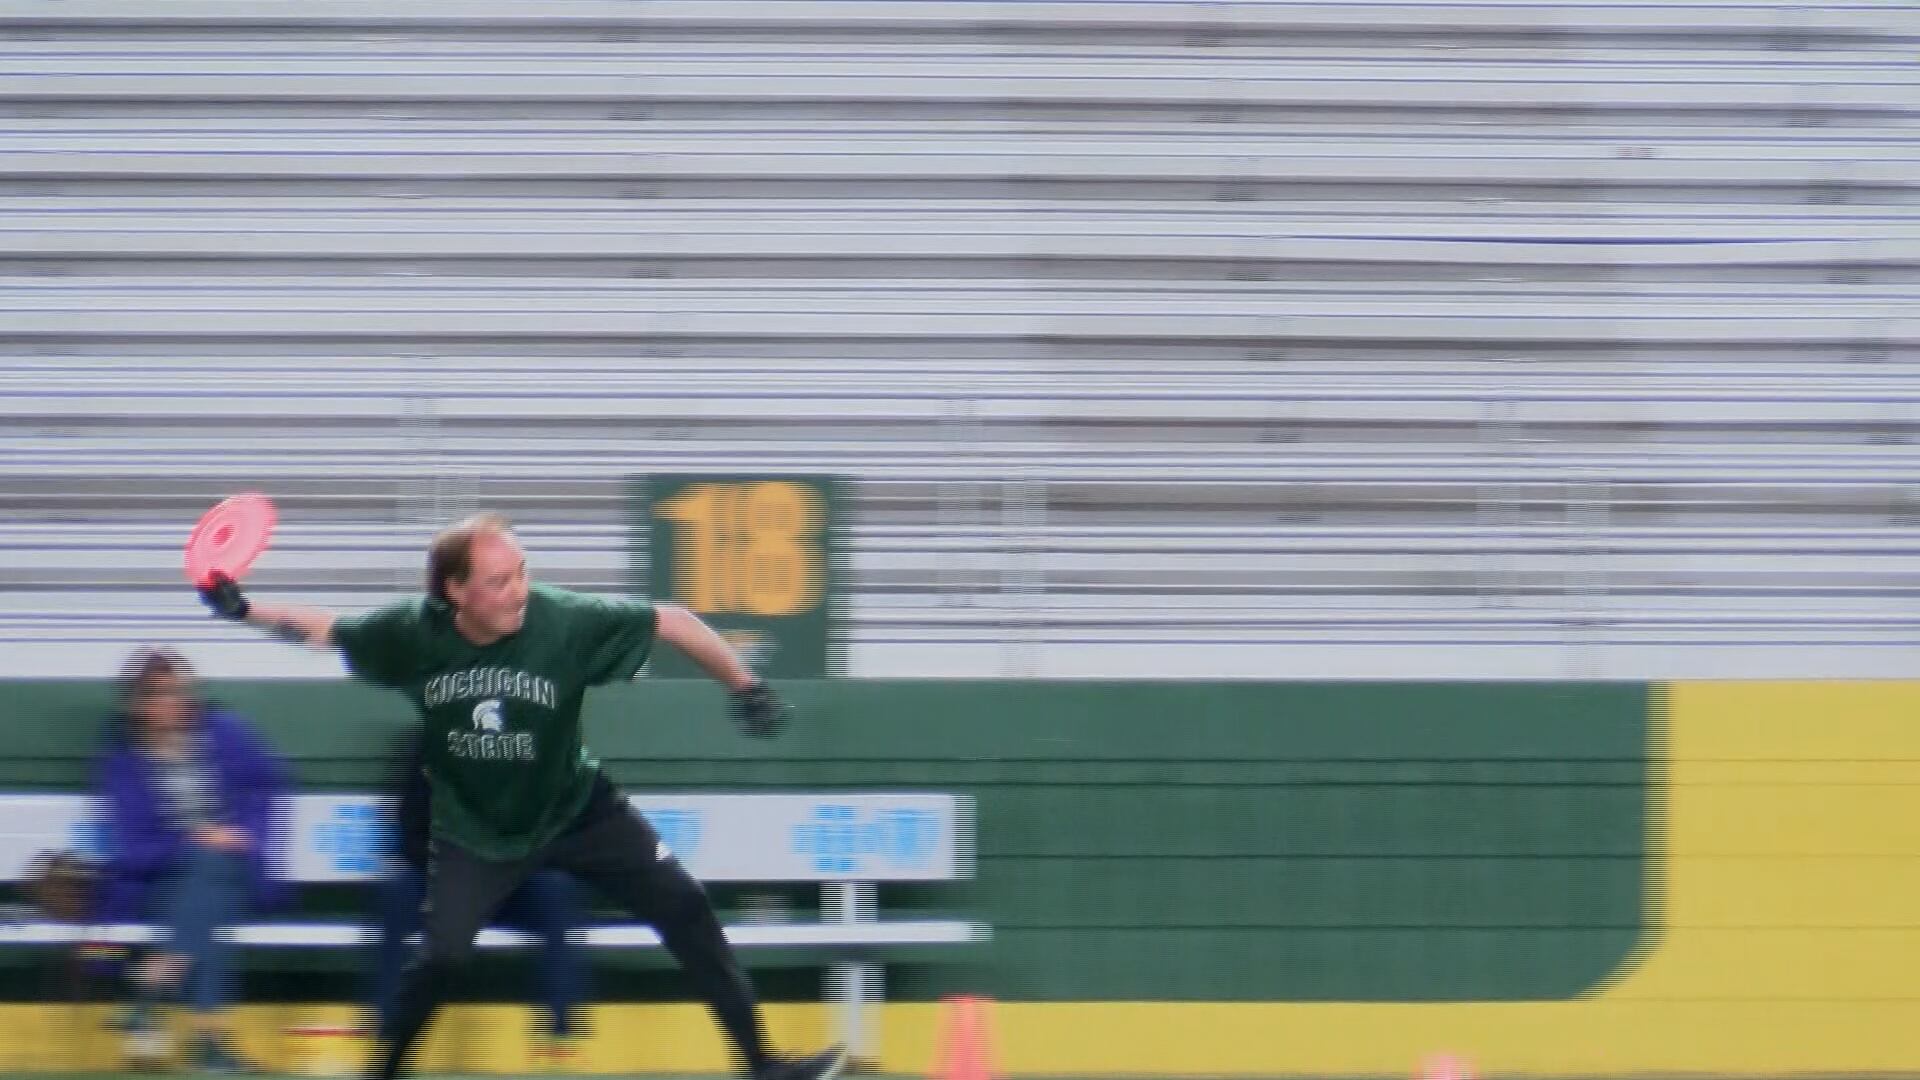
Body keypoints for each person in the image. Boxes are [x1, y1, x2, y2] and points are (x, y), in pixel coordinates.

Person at [195, 512, 843, 1080]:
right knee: (442, 959)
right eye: (499, 581)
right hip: (476, 831)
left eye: (522, 573)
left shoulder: (564, 622)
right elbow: (326, 630)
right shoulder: (412, 634)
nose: (519, 591)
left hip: (578, 811)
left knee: (686, 907)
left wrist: (744, 685)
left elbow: (671, 621)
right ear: (455, 592)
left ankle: (763, 1064)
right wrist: (243, 610)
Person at [94, 646, 289, 1072]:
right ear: (137, 704)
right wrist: (193, 839)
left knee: (210, 876)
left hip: (237, 868)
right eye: (160, 694)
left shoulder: (225, 732)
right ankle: (208, 1043)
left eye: (180, 691)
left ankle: (156, 977)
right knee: (208, 900)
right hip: (160, 882)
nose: (175, 702)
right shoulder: (123, 763)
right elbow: (132, 850)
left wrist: (243, 835)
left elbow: (268, 784)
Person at [371, 729, 586, 1059]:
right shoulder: (428, 746)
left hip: (511, 886)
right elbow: (409, 828)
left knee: (556, 889)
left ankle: (560, 1031)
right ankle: (389, 1027)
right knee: (397, 891)